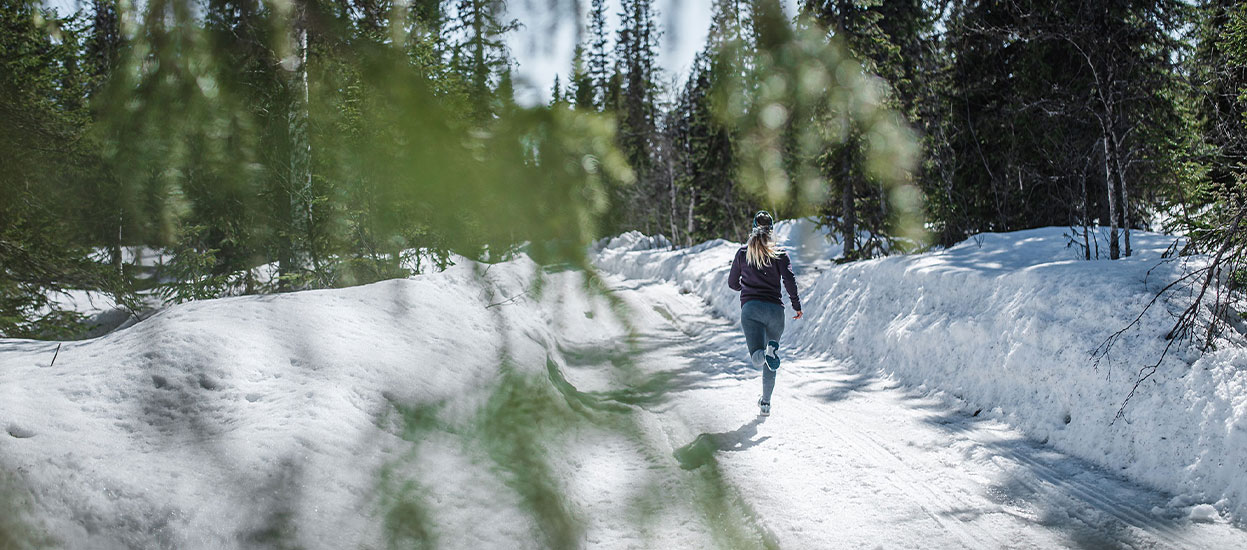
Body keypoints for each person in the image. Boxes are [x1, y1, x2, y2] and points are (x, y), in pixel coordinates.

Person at [727, 211, 802, 416]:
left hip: (751, 309)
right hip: (776, 312)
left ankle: (765, 356)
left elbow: (732, 283)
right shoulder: (779, 253)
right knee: (772, 356)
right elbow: (789, 280)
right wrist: (796, 305)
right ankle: (766, 403)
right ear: (772, 229)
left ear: (753, 227)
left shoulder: (743, 253)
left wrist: (746, 286)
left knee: (758, 356)